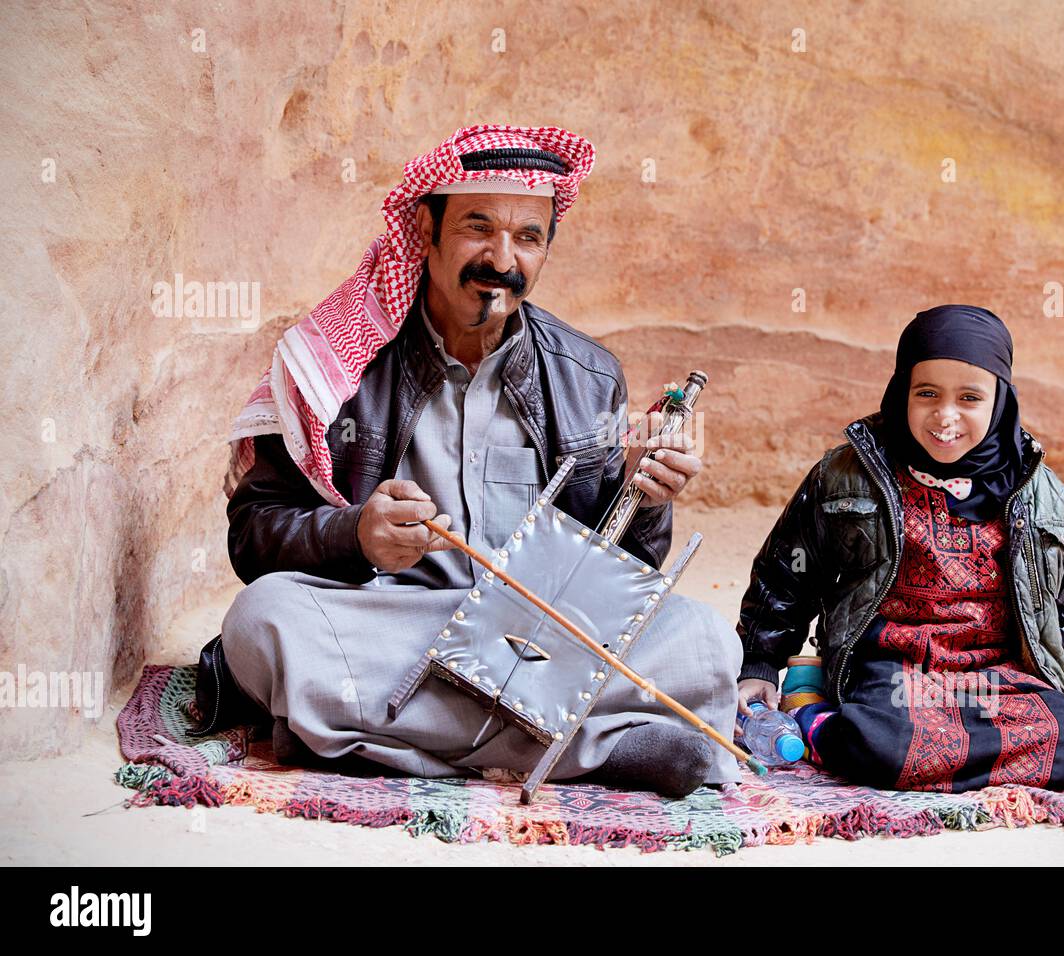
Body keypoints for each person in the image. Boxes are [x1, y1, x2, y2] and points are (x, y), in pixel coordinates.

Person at [212, 124, 742, 799]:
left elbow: (624, 577)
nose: (501, 258)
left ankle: (383, 740)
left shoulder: (588, 376)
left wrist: (646, 498)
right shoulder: (335, 367)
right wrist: (356, 535)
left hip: (540, 641)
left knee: (705, 641)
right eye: (477, 227)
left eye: (528, 237)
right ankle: (589, 745)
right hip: (399, 624)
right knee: (262, 620)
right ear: (425, 232)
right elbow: (254, 531)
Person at [734, 305, 1064, 792]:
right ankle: (814, 718)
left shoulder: (1038, 492)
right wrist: (760, 663)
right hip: (892, 668)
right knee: (885, 748)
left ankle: (885, 741)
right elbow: (786, 572)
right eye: (927, 393)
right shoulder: (850, 474)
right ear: (901, 392)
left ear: (1000, 401)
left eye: (970, 398)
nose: (945, 416)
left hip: (996, 670)